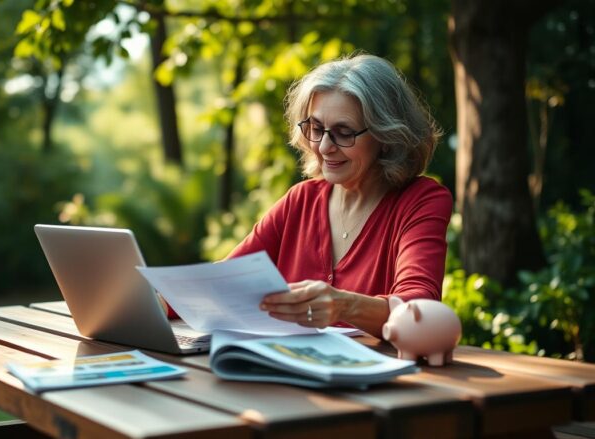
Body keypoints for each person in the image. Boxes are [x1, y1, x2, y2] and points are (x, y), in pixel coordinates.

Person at [164, 53, 452, 339]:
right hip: (291, 377)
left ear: (386, 138)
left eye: (344, 132)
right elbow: (221, 284)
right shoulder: (300, 200)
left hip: (379, 381)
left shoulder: (422, 200)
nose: (325, 146)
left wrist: (345, 306)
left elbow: (420, 310)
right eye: (316, 128)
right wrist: (149, 299)